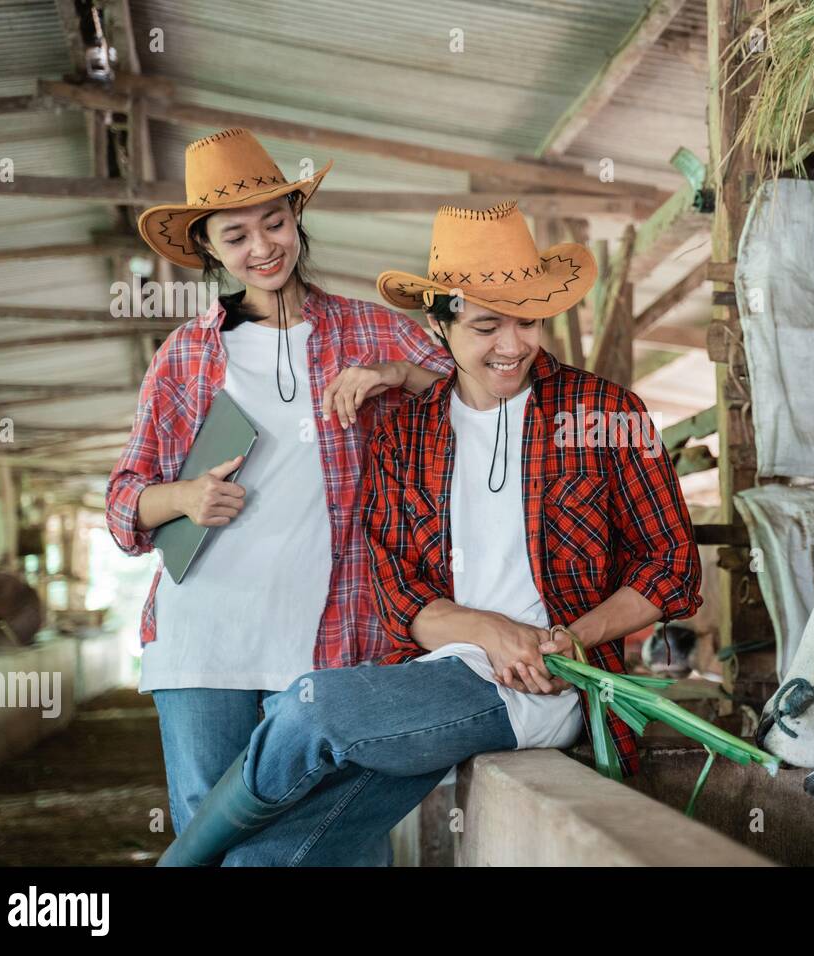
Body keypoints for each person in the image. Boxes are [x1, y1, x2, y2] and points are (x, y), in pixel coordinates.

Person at [157, 199, 703, 866]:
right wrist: (485, 630)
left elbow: (671, 565)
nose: (513, 345)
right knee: (273, 856)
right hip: (429, 684)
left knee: (311, 707)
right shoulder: (407, 433)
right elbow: (399, 599)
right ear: (437, 326)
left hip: (549, 686)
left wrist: (570, 638)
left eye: (528, 321)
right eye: (485, 325)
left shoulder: (605, 412)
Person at [105, 128, 450, 865]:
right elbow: (125, 502)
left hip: (332, 640)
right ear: (209, 249)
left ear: (298, 219)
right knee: (213, 841)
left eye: (275, 223)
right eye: (236, 235)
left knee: (335, 845)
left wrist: (398, 375)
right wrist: (186, 497)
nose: (262, 246)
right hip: (204, 642)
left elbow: (482, 407)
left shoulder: (372, 328)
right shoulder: (186, 355)